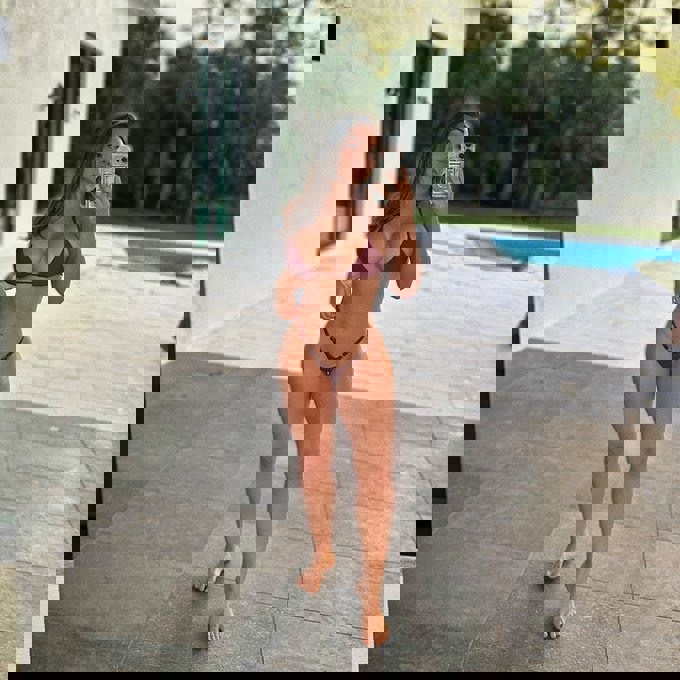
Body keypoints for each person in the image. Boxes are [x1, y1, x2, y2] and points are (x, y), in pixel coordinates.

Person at [275, 120, 431, 648]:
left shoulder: (392, 217)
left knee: (374, 474)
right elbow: (286, 285)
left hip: (361, 346)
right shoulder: (312, 211)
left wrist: (396, 244)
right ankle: (323, 552)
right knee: (314, 461)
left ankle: (370, 598)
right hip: (307, 345)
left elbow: (409, 285)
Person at [0, 112, 135, 389]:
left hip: (59, 241)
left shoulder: (103, 170)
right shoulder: (87, 169)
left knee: (23, 304)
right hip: (52, 239)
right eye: (111, 146)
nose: (114, 153)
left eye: (118, 148)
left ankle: (5, 361)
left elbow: (98, 202)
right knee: (20, 303)